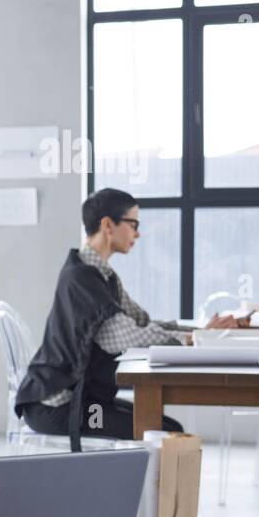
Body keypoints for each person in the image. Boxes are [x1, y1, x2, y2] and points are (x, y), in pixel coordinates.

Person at [15, 188, 237, 445]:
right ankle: (131, 486)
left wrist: (196, 330)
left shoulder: (103, 275)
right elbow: (123, 336)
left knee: (168, 427)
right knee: (163, 434)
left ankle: (139, 486)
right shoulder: (81, 278)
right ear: (108, 225)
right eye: (133, 224)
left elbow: (141, 321)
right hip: (58, 406)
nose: (138, 233)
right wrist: (191, 339)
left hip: (84, 400)